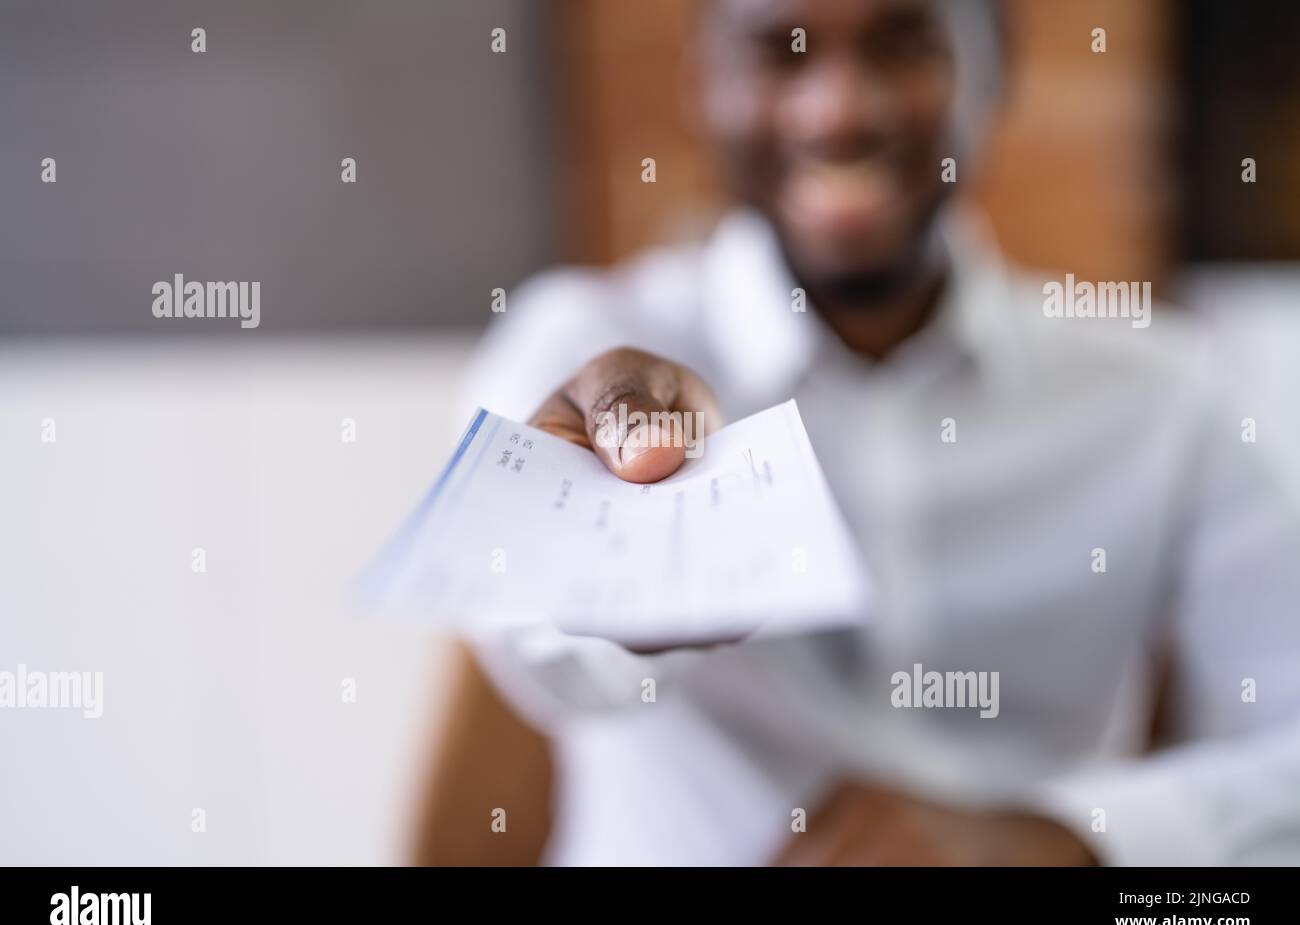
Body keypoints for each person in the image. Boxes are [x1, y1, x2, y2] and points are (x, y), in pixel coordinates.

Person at [411, 0, 1300, 866]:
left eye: (901, 41)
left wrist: (1069, 837)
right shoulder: (578, 345)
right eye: (779, 53)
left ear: (993, 71)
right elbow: (535, 648)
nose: (837, 109)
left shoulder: (1166, 400)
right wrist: (611, 557)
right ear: (703, 82)